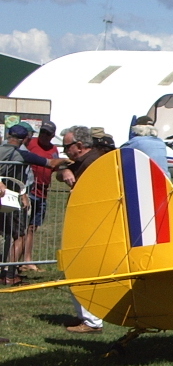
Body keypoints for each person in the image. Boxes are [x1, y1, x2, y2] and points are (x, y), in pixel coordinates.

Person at [59, 125, 114, 331]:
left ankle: (92, 321)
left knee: (81, 270)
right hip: (89, 224)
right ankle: (87, 318)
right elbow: (60, 171)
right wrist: (64, 170)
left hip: (92, 225)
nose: (65, 151)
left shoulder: (93, 163)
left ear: (79, 145)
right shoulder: (85, 161)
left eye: (67, 147)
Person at [22, 120, 60, 273]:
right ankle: (18, 260)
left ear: (52, 135)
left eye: (47, 133)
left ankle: (27, 260)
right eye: (42, 132)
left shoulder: (54, 149)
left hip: (42, 192)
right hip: (29, 190)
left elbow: (56, 166)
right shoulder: (30, 143)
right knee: (22, 227)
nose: (44, 135)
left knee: (32, 227)